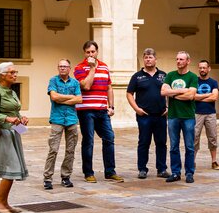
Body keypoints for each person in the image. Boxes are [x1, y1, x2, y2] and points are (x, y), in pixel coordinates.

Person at [73, 41, 124, 183]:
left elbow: (109, 88)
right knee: (88, 141)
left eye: (93, 52)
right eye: (88, 52)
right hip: (86, 110)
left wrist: (111, 106)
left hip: (102, 110)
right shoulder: (79, 68)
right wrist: (92, 68)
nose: (90, 54)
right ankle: (88, 173)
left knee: (109, 138)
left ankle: (110, 171)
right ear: (84, 53)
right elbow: (87, 86)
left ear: (97, 52)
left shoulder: (105, 67)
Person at [0, 62, 29, 213]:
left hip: (13, 133)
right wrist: (7, 119)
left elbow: (15, 111)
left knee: (12, 169)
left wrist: (21, 119)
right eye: (12, 72)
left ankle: (3, 202)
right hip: (2, 134)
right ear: (2, 75)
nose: (15, 74)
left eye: (16, 72)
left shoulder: (12, 92)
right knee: (11, 168)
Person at [125, 48, 168, 180]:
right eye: (146, 57)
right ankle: (142, 169)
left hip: (161, 115)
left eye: (150, 57)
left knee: (161, 142)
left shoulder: (163, 75)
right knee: (144, 142)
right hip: (144, 116)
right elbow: (129, 94)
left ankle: (161, 169)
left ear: (155, 59)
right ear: (143, 60)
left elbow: (171, 91)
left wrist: (168, 107)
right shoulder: (137, 76)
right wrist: (136, 109)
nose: (148, 60)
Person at [43, 59, 82, 190]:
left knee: (70, 150)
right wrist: (71, 98)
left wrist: (62, 100)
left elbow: (79, 99)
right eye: (60, 66)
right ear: (57, 68)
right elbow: (54, 97)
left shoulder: (75, 82)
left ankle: (66, 177)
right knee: (53, 149)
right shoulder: (53, 81)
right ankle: (47, 178)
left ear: (69, 68)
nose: (62, 68)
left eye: (65, 66)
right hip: (57, 119)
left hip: (71, 120)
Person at [161, 51, 198, 183]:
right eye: (177, 59)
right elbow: (163, 91)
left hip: (188, 116)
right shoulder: (170, 75)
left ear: (188, 61)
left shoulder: (193, 77)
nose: (178, 61)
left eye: (181, 59)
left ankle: (189, 173)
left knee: (189, 146)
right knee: (173, 146)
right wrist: (182, 90)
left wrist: (173, 94)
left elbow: (191, 96)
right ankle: (176, 172)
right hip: (173, 116)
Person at [194, 59, 219, 170]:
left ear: (208, 69)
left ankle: (214, 161)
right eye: (200, 68)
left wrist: (199, 98)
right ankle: (193, 161)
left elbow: (215, 97)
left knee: (213, 137)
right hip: (197, 113)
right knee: (194, 137)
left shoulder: (213, 82)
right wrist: (207, 96)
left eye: (204, 68)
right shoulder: (194, 81)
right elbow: (192, 96)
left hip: (210, 114)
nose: (202, 70)